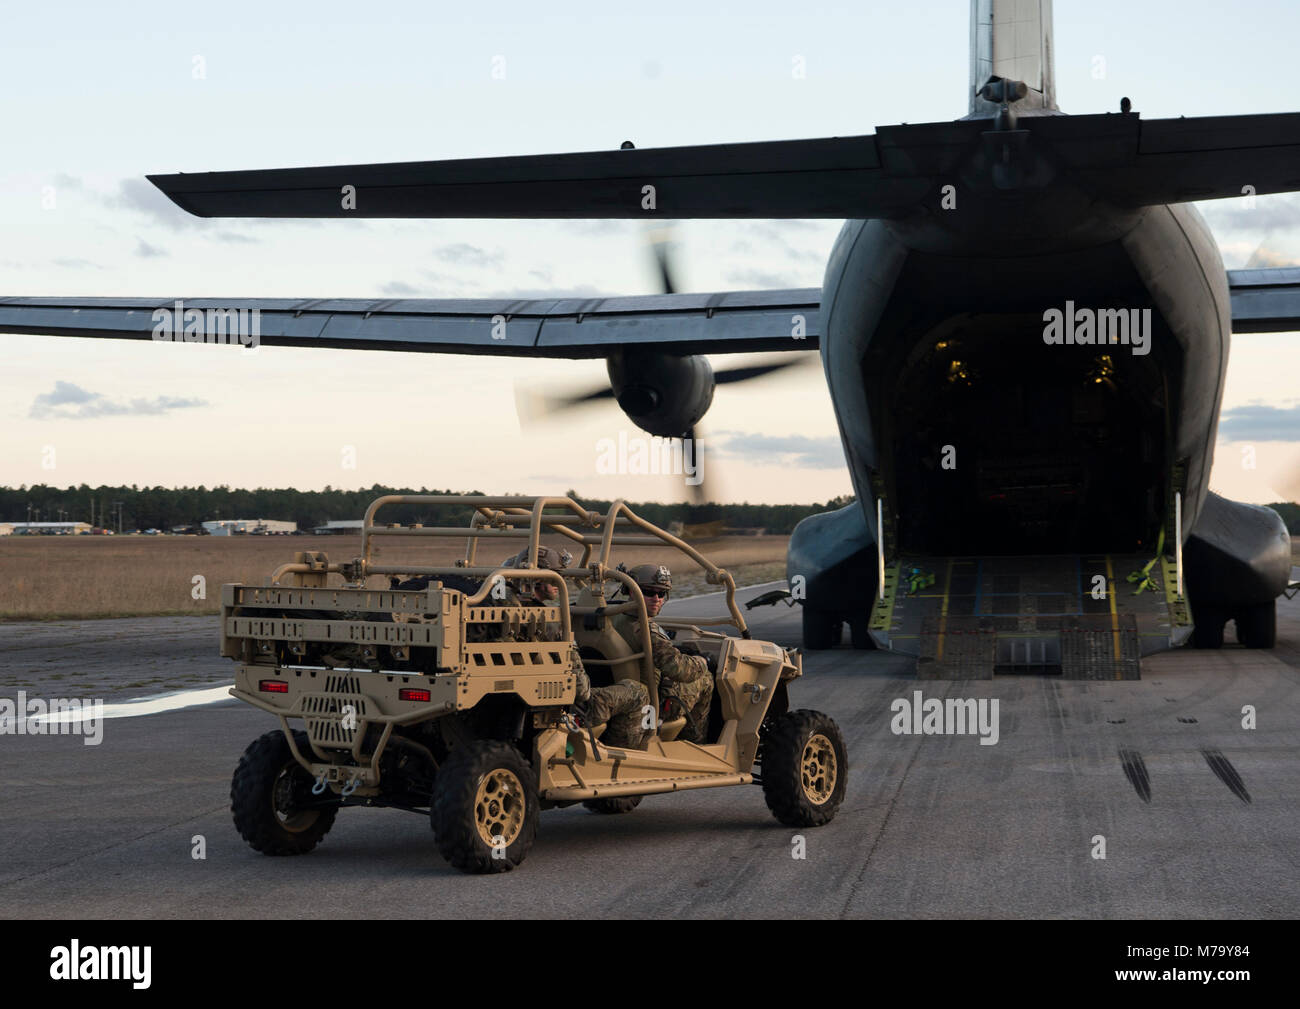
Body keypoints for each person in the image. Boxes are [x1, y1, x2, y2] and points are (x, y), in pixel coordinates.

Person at [503, 546, 649, 749]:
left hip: (522, 696)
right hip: (565, 705)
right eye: (556, 577)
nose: (560, 583)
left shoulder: (507, 611)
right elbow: (582, 690)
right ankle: (622, 755)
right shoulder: (551, 622)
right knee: (637, 692)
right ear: (538, 579)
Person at [610, 563, 714, 743]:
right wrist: (702, 661)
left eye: (662, 593)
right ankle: (694, 744)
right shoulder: (646, 630)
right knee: (705, 679)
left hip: (622, 693)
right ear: (632, 591)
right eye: (649, 592)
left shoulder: (611, 616)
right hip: (647, 704)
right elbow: (681, 670)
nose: (656, 598)